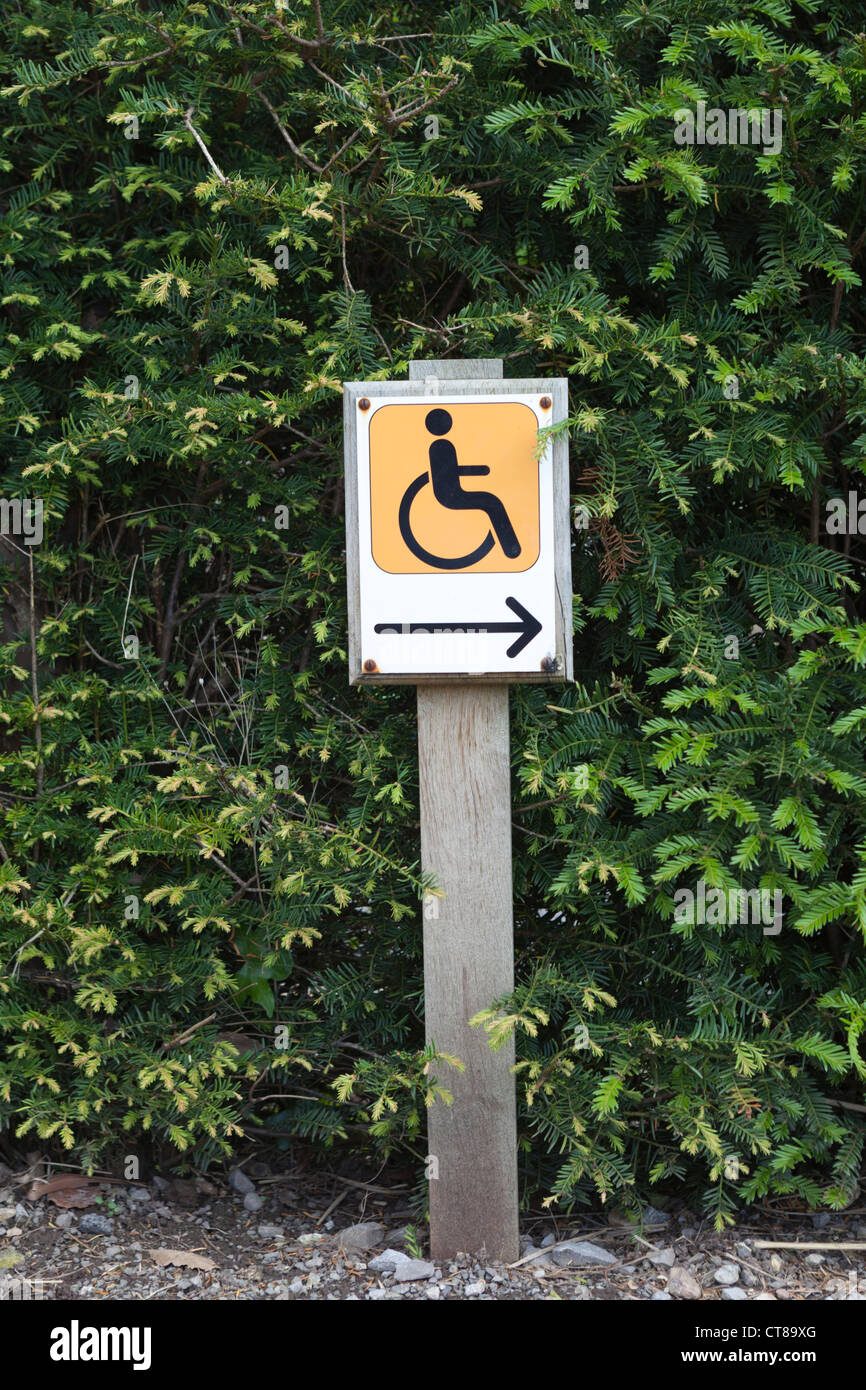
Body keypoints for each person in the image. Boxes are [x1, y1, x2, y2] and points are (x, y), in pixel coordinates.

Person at [423, 408, 521, 559]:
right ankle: (512, 549)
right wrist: (481, 470)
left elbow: (451, 470)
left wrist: (481, 470)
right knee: (491, 503)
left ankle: (512, 550)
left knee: (491, 502)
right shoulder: (441, 446)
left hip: (451, 493)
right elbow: (447, 472)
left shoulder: (440, 446)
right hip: (450, 496)